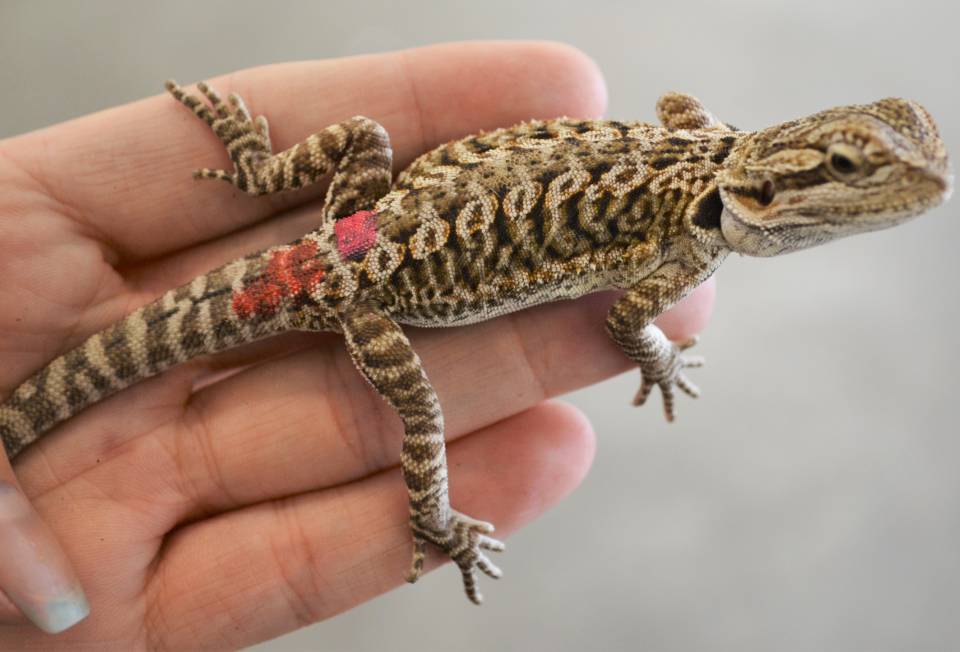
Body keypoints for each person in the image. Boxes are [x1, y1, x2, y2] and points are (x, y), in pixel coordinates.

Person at [0, 41, 714, 647]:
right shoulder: (696, 234)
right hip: (363, 277)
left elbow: (677, 104)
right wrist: (662, 358)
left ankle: (260, 174)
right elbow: (629, 324)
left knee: (367, 138)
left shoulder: (700, 150)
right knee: (424, 416)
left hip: (362, 230)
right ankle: (434, 520)